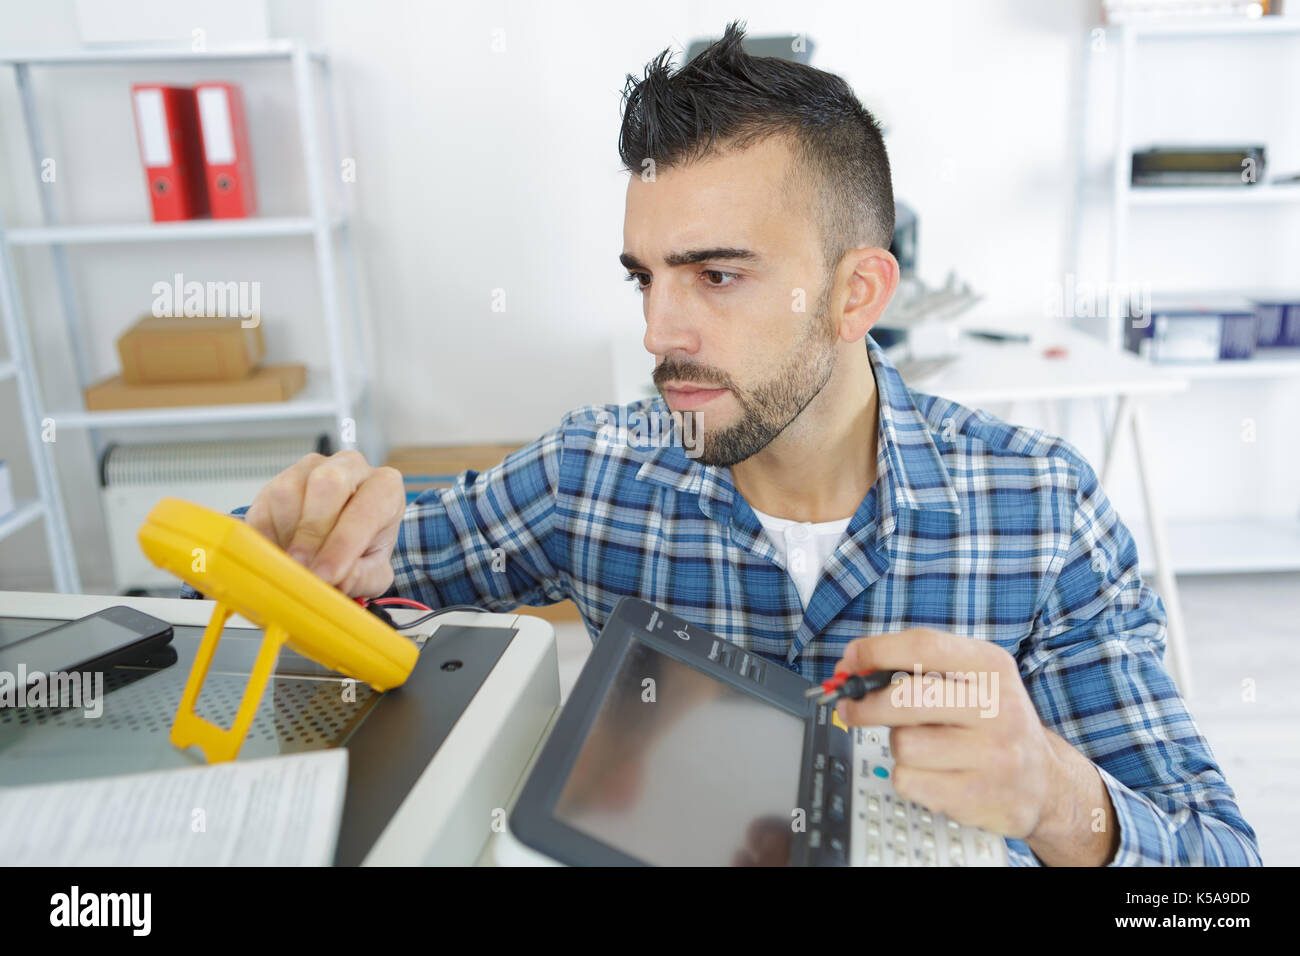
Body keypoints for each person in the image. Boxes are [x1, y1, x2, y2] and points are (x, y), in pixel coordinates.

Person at [185, 22, 1259, 867]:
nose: (658, 332)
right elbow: (273, 570)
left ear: (855, 292)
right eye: (643, 277)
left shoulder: (1042, 513)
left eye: (717, 274)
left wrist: (1054, 795)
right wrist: (299, 534)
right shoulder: (592, 477)